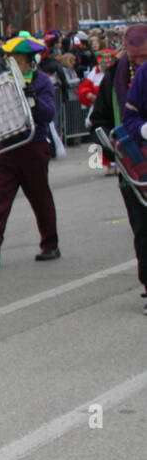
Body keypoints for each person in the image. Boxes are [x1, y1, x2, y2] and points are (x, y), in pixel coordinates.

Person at [0, 33, 60, 267]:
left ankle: (50, 245)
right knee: (0, 199)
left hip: (33, 146)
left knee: (40, 199)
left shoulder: (42, 82)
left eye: (18, 60)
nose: (13, 64)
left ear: (30, 61)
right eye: (11, 59)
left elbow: (48, 114)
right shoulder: (5, 79)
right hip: (6, 146)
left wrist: (33, 99)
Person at [92, 23, 147, 310]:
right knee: (142, 227)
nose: (139, 64)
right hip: (133, 167)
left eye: (144, 57)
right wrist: (115, 148)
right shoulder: (114, 75)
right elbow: (98, 119)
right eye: (134, 57)